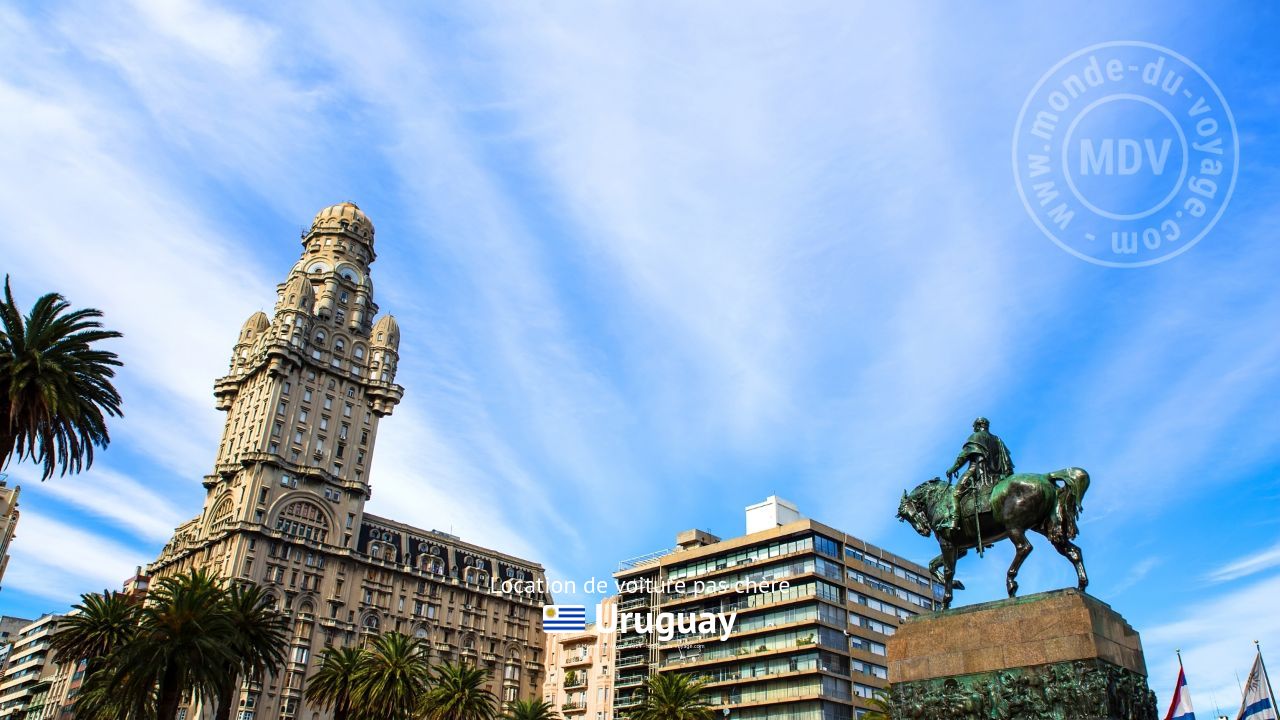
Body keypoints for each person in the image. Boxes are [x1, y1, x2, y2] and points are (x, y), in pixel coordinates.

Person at [938, 417, 1014, 531]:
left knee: (955, 493)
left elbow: (963, 456)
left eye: (974, 427)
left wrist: (952, 469)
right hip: (998, 475)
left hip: (978, 472)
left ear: (978, 426)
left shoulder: (976, 437)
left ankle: (953, 522)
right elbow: (1006, 460)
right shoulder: (997, 440)